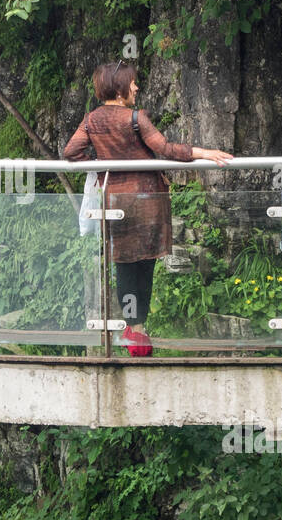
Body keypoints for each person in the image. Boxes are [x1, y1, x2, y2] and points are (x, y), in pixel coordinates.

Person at [63, 61, 232, 356]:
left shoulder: (91, 120)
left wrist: (101, 160)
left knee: (125, 264)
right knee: (145, 264)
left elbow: (71, 152)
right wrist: (204, 152)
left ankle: (135, 330)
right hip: (147, 202)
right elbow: (165, 148)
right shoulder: (135, 118)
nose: (136, 87)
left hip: (115, 203)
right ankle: (137, 332)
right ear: (119, 88)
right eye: (132, 83)